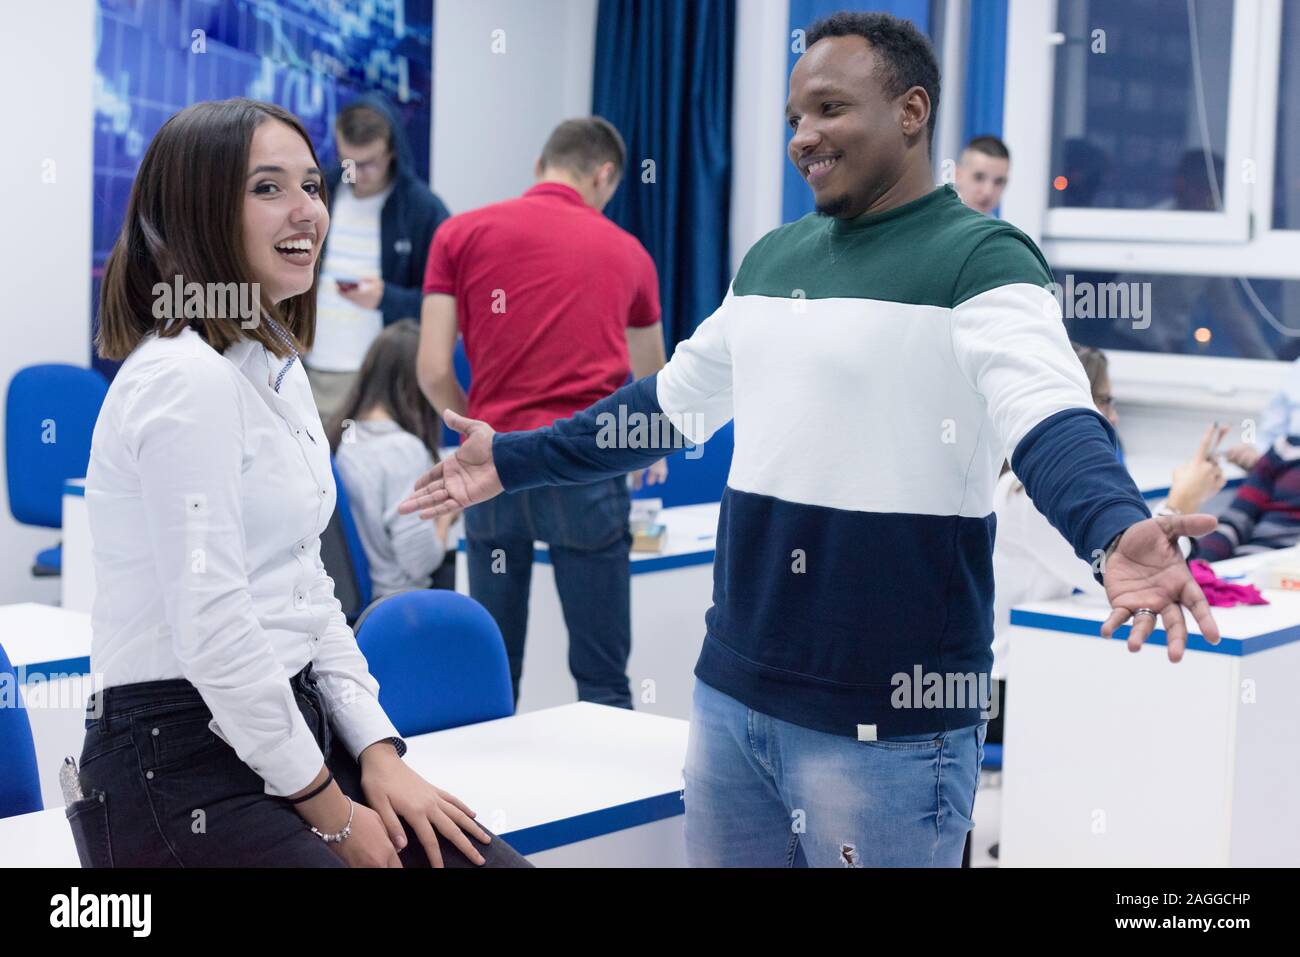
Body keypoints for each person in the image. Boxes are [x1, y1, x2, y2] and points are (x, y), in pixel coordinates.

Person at [401, 12, 1222, 868]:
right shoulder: (770, 260)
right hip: (732, 699)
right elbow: (664, 409)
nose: (803, 137)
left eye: (829, 109)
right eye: (794, 118)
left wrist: (1111, 525)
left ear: (911, 111)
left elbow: (1047, 415)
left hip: (889, 725)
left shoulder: (980, 257)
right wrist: (512, 459)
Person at [83, 98, 527, 868]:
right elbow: (217, 632)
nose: (307, 212)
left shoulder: (272, 366)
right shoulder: (182, 380)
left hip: (288, 729)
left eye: (315, 186)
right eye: (267, 188)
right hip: (176, 759)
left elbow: (307, 589)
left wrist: (381, 753)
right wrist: (330, 809)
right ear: (195, 209)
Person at [417, 117, 667, 709]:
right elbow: (656, 387)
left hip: (492, 469)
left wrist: (480, 431)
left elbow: (429, 368)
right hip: (587, 472)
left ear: (541, 166)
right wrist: (647, 451)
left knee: (494, 669)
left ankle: (486, 803)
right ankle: (612, 797)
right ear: (605, 175)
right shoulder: (629, 252)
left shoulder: (459, 233)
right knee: (603, 675)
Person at [305, 94, 452, 419]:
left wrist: (387, 298)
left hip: (382, 382)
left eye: (368, 163)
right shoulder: (318, 193)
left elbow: (448, 308)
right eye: (348, 162)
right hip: (308, 369)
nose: (356, 172)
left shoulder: (423, 210)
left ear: (392, 151)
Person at [328, 319, 459, 596]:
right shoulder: (403, 450)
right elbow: (420, 562)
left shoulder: (343, 437)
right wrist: (447, 514)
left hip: (356, 600)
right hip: (400, 602)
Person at [954, 134, 1010, 216]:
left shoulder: (1000, 228)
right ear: (957, 175)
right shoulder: (934, 221)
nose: (988, 192)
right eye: (979, 178)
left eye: (998, 181)